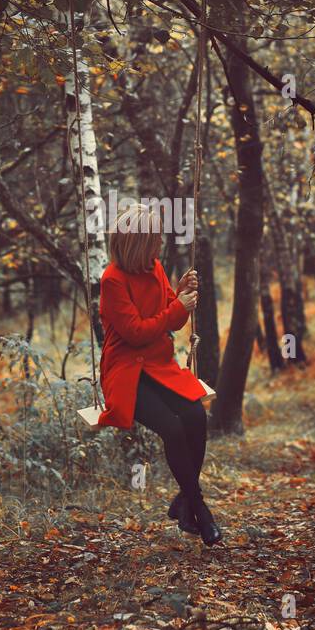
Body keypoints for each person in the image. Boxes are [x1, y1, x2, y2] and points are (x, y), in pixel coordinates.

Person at [95, 204, 222, 545]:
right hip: (126, 371)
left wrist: (179, 295)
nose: (159, 246)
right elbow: (136, 332)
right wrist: (176, 308)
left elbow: (173, 319)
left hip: (158, 365)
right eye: (153, 240)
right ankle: (198, 505)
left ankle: (183, 501)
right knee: (171, 426)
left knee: (195, 415)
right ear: (136, 243)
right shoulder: (112, 281)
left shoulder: (154, 268)